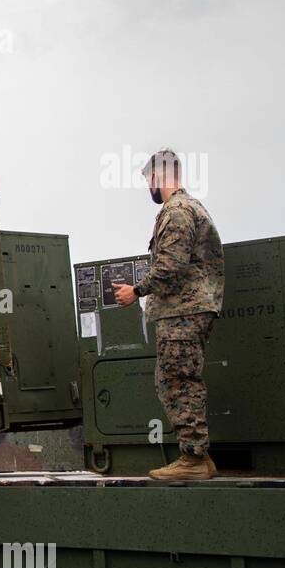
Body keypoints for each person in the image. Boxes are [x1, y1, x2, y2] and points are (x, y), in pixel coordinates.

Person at [111, 148, 224, 481]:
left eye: (148, 179)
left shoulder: (176, 211)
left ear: (159, 176)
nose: (149, 186)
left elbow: (170, 266)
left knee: (177, 380)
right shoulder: (189, 207)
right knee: (174, 378)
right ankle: (198, 456)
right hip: (188, 309)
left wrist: (137, 291)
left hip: (183, 312)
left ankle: (193, 458)